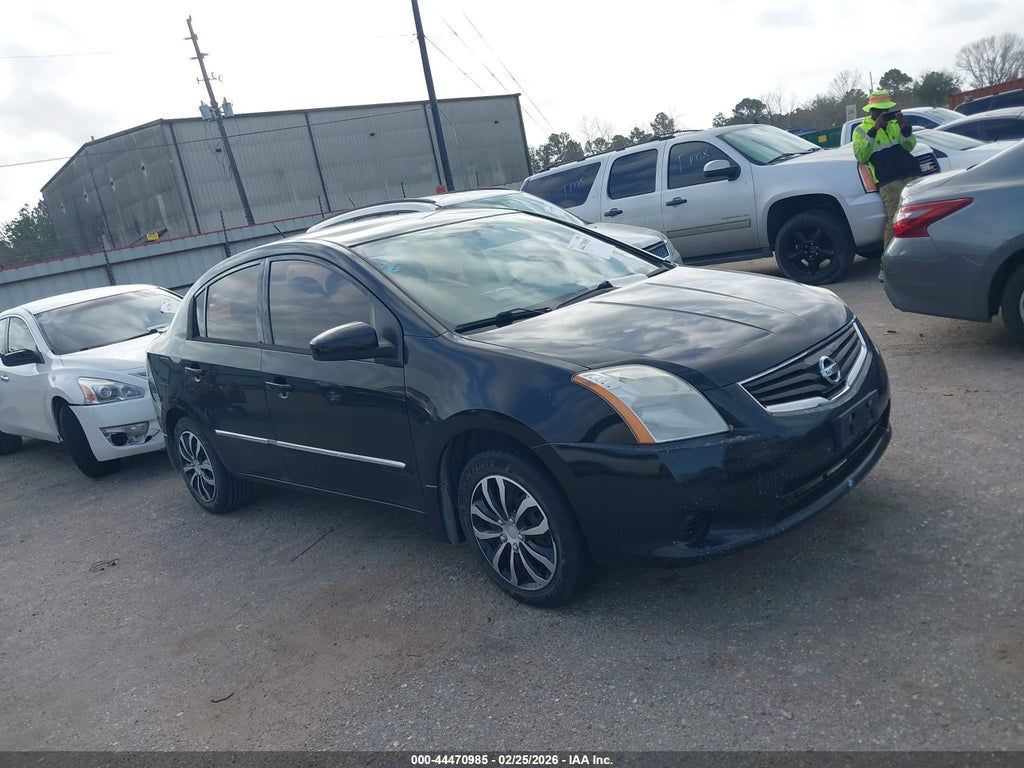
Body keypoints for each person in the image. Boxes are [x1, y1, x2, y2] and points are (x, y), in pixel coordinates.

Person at [852, 89, 919, 250]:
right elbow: (861, 156)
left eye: (886, 110)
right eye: (880, 110)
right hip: (889, 182)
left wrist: (905, 128)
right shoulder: (861, 130)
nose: (884, 113)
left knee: (918, 216)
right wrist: (874, 130)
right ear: (872, 111)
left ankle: (915, 252)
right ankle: (887, 262)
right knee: (895, 220)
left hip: (911, 175)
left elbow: (909, 146)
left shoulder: (895, 125)